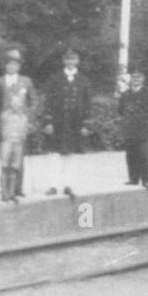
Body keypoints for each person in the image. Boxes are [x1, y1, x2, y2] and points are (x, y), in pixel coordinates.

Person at [40, 47, 92, 198]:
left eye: (73, 59)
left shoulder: (84, 80)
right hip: (58, 122)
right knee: (55, 155)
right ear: (63, 61)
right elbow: (48, 101)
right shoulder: (55, 79)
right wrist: (48, 122)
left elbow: (88, 103)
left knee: (71, 155)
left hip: (75, 123)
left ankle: (68, 185)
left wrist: (86, 124)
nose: (70, 62)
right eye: (68, 59)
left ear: (78, 61)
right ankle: (53, 185)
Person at [0, 48, 35, 202]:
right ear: (5, 66)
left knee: (18, 157)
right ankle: (5, 190)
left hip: (20, 122)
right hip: (5, 123)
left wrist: (29, 120)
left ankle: (16, 189)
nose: (11, 67)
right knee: (5, 157)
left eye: (15, 65)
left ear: (19, 67)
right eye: (9, 64)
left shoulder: (26, 81)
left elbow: (32, 102)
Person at [118, 68, 148, 188]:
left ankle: (146, 179)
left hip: (144, 129)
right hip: (129, 129)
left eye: (139, 77)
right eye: (134, 77)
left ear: (143, 79)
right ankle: (133, 178)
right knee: (131, 154)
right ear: (130, 79)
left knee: (143, 154)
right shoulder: (125, 94)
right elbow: (120, 110)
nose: (136, 80)